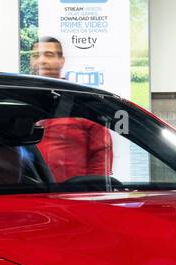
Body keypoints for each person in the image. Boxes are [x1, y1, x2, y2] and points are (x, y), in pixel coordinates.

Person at [28, 36, 113, 181]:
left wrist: (93, 190)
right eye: (36, 55)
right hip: (28, 194)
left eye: (49, 55)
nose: (41, 60)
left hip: (71, 196)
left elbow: (101, 152)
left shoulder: (82, 102)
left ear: (62, 61)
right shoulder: (20, 101)